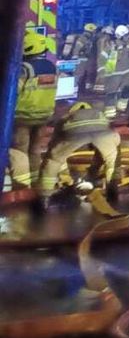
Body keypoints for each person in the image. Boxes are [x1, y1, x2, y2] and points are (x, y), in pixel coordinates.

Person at [35, 98, 121, 210]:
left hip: (74, 136)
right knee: (112, 159)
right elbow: (109, 134)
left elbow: (55, 144)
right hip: (104, 137)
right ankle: (112, 190)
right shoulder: (99, 113)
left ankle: (44, 198)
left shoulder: (65, 118)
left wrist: (64, 177)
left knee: (53, 161)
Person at [6, 29, 58, 192]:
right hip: (44, 116)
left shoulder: (23, 69)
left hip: (22, 117)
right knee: (35, 151)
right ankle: (35, 183)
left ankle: (21, 187)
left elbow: (12, 92)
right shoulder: (51, 67)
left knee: (19, 153)